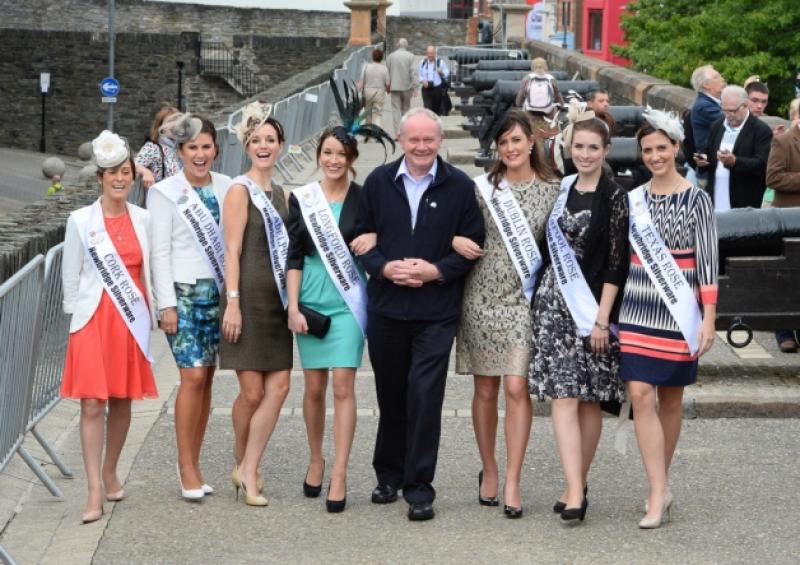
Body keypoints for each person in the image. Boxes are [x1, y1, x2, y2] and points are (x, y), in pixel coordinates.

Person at [357, 107, 485, 521]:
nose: (422, 146)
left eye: (429, 139)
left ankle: (419, 487)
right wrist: (383, 267)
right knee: (391, 396)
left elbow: (473, 244)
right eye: (414, 140)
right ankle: (388, 475)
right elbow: (358, 235)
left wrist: (436, 271)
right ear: (400, 139)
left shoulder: (459, 186)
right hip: (387, 309)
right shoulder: (378, 182)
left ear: (439, 141)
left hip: (435, 313)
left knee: (426, 397)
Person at [453, 110, 560, 519]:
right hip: (479, 296)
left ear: (531, 141)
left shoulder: (552, 190)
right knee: (485, 391)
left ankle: (514, 477)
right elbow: (450, 225)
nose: (511, 148)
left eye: (517, 140)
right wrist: (454, 238)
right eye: (503, 143)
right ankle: (491, 468)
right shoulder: (481, 189)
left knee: (516, 387)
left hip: (522, 301)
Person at [620, 109, 718, 529]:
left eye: (662, 147)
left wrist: (709, 317)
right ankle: (657, 491)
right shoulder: (634, 199)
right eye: (648, 150)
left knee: (671, 400)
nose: (655, 156)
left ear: (677, 147)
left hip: (680, 314)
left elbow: (708, 261)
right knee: (641, 394)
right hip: (638, 307)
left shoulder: (698, 198)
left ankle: (662, 483)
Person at [529, 114, 629, 524]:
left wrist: (602, 320)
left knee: (589, 400)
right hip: (554, 305)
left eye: (593, 148)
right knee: (564, 395)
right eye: (579, 147)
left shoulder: (616, 196)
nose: (584, 154)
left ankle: (577, 482)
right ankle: (574, 489)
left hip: (592, 310)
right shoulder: (561, 189)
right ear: (569, 149)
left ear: (605, 152)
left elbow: (616, 264)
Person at [61, 130, 158, 523]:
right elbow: (71, 275)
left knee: (121, 398)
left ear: (133, 176)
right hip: (92, 320)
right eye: (112, 173)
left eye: (126, 172)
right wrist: (74, 322)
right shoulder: (80, 221)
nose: (120, 180)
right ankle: (93, 490)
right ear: (100, 178)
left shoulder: (145, 219)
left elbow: (153, 267)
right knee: (90, 402)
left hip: (129, 319)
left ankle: (110, 469)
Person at [148, 114, 231, 501]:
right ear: (180, 151)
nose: (200, 154)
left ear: (216, 148)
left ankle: (195, 462)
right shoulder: (164, 192)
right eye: (192, 148)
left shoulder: (229, 187)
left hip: (217, 296)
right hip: (181, 296)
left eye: (206, 147)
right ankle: (185, 467)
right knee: (192, 378)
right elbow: (159, 252)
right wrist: (165, 305)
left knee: (208, 378)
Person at [219, 101, 292, 506]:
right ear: (247, 146)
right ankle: (240, 459)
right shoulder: (238, 190)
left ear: (281, 145)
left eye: (270, 140)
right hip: (245, 298)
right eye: (256, 141)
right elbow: (231, 251)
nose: (263, 146)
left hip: (276, 303)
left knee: (279, 388)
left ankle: (249, 467)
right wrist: (232, 303)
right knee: (251, 393)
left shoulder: (281, 193)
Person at [695, 85, 773, 211]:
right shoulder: (717, 125)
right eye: (724, 110)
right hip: (715, 195)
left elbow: (762, 165)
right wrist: (701, 160)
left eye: (732, 111)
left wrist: (735, 161)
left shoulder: (760, 130)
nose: (728, 115)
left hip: (744, 198)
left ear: (745, 105)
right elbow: (706, 151)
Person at [765, 103, 800, 352]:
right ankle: (784, 332)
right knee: (786, 276)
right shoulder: (784, 142)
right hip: (789, 217)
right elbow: (773, 178)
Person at [689, 65, 726, 186]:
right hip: (710, 173)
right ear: (706, 85)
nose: (722, 78)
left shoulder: (712, 102)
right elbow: (732, 122)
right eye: (716, 77)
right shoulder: (704, 106)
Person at [135, 105, 181, 189]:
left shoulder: (181, 147)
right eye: (170, 122)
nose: (174, 125)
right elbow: (133, 166)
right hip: (159, 199)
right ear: (160, 127)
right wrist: (145, 172)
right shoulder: (153, 147)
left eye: (177, 122)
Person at [515, 57, 563, 128]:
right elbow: (557, 96)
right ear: (546, 67)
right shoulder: (551, 79)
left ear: (532, 67)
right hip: (548, 115)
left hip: (530, 115)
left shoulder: (527, 78)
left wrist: (518, 104)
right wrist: (562, 105)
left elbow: (519, 101)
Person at [385, 38, 418, 135]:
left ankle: (397, 133)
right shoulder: (411, 56)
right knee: (406, 109)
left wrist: (387, 86)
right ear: (406, 46)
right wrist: (415, 87)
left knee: (396, 110)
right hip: (407, 87)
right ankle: (405, 132)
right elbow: (413, 72)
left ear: (397, 45)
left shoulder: (391, 56)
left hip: (394, 87)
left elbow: (387, 73)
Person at [357, 48, 390, 129]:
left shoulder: (366, 67)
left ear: (372, 57)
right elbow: (388, 83)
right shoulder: (384, 69)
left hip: (368, 91)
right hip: (379, 92)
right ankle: (376, 132)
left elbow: (361, 82)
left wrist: (357, 91)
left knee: (367, 112)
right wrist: (388, 90)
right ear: (381, 58)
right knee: (377, 113)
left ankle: (368, 133)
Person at [418, 45, 450, 117]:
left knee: (437, 111)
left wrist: (441, 72)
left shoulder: (440, 62)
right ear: (426, 54)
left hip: (437, 89)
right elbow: (419, 75)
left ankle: (436, 126)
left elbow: (447, 72)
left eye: (432, 54)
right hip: (426, 89)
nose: (430, 56)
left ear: (435, 53)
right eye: (429, 54)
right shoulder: (422, 62)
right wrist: (422, 81)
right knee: (427, 110)